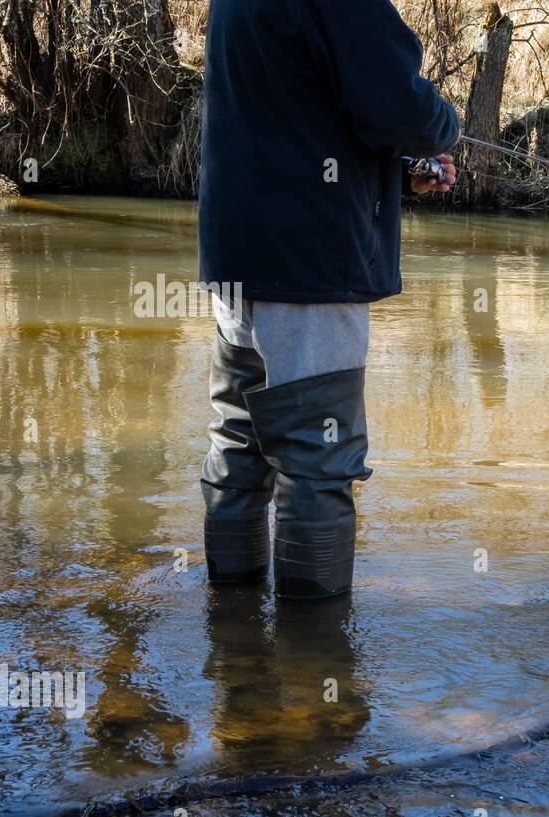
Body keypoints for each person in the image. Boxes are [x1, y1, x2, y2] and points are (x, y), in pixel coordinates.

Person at [198, 0, 459, 598]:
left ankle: (233, 636)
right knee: (321, 457)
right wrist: (444, 128)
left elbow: (293, 107)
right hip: (310, 261)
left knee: (239, 444)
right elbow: (397, 104)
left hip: (237, 254)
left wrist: (395, 173)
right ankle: (314, 663)